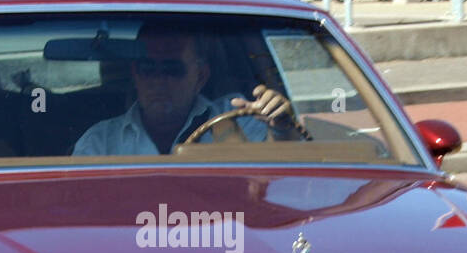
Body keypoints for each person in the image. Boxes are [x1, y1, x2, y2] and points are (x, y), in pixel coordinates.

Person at [71, 26, 299, 156]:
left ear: (200, 77)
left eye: (172, 69)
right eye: (148, 68)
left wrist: (280, 128)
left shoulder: (238, 116)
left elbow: (280, 184)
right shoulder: (99, 142)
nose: (159, 80)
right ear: (135, 74)